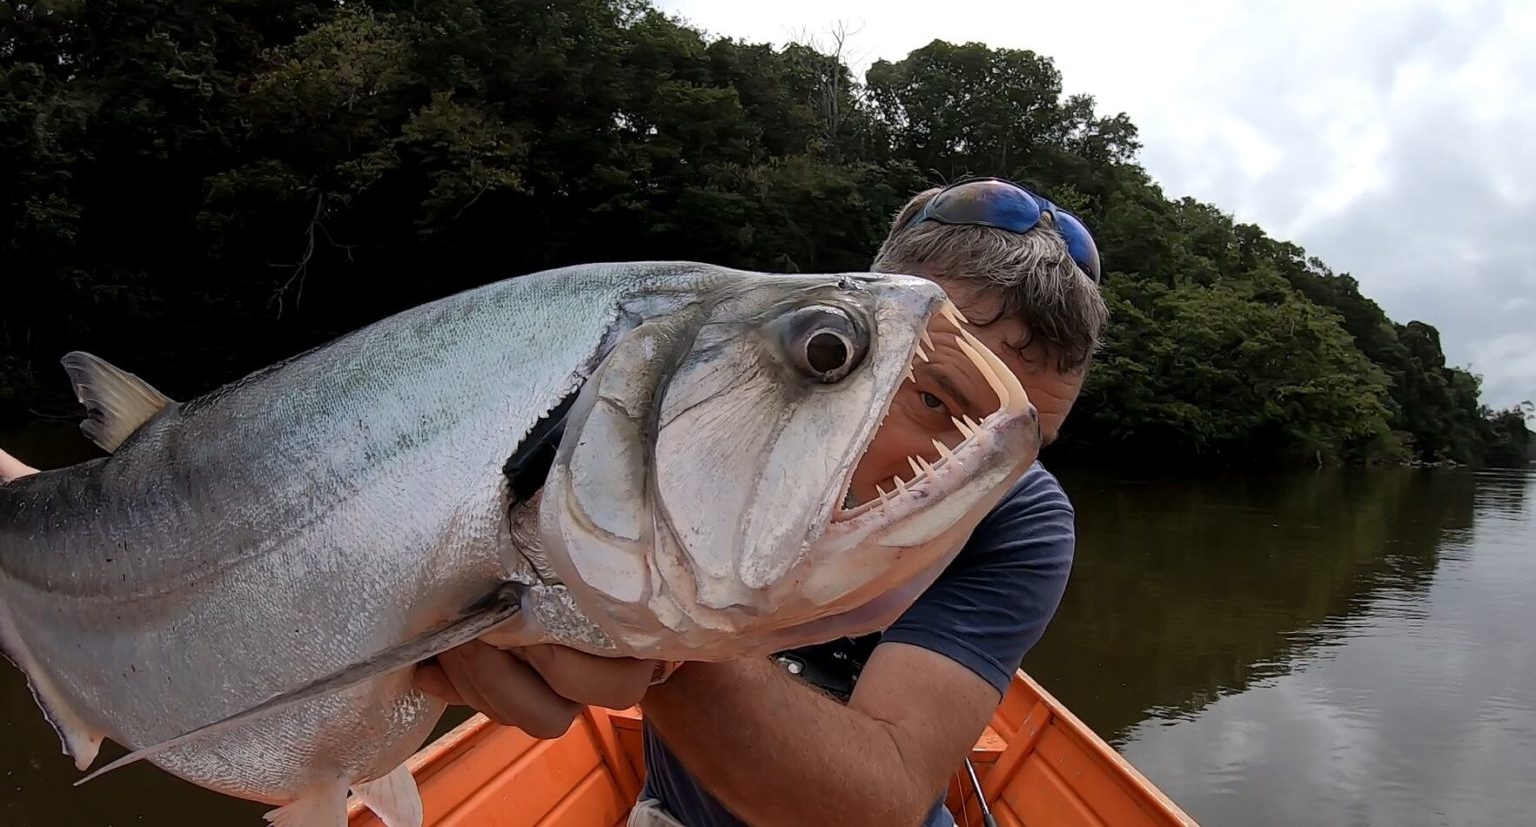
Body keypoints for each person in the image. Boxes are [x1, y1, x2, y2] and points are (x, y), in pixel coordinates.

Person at [0, 176, 1108, 826]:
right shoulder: (693, 395)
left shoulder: (1022, 513)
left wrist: (658, 640)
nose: (972, 462)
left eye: (1020, 438)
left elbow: (882, 795)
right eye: (932, 394)